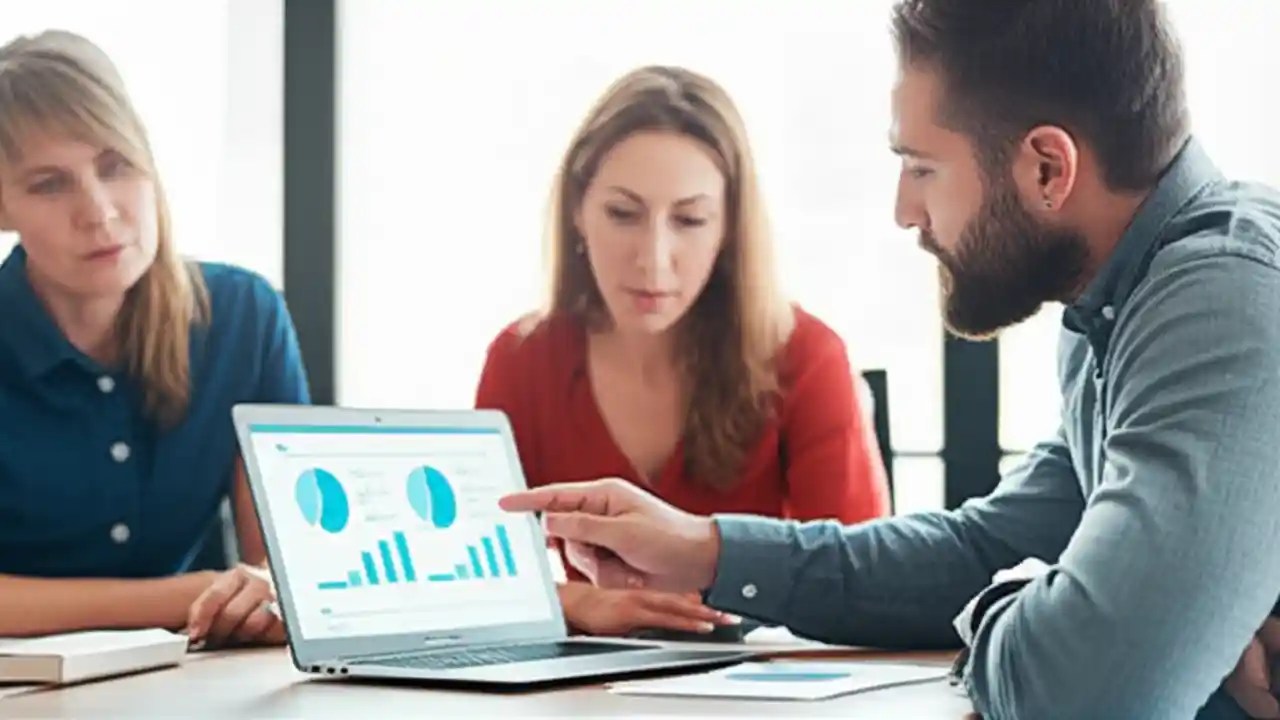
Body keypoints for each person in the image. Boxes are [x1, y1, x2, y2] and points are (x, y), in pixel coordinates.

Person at [499, 2, 1280, 718]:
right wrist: (702, 549)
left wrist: (1019, 602)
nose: (905, 210)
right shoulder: (1112, 316)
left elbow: (1089, 691)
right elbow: (985, 548)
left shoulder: (1225, 300)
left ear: (1047, 168)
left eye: (922, 167)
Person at [476, 65, 891, 637]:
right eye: (623, 214)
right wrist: (582, 604)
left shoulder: (807, 356)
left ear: (728, 231)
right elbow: (477, 576)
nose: (653, 258)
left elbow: (867, 579)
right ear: (578, 209)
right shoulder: (522, 359)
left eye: (690, 220)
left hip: (759, 685)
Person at [0, 30, 305, 647]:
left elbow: (285, 570)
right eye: (49, 184)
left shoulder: (243, 314)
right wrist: (188, 596)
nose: (100, 212)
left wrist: (261, 594)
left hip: (191, 683)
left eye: (116, 167)